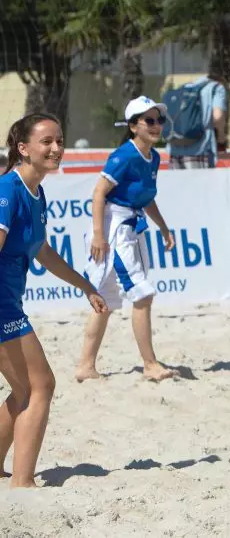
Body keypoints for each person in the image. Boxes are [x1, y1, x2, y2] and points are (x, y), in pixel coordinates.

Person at [0, 113, 107, 487]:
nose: (57, 148)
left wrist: (85, 286)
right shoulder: (8, 191)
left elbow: (42, 251)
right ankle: (23, 484)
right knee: (40, 386)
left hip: (9, 303)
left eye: (60, 140)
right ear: (23, 148)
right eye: (47, 141)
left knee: (23, 389)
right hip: (1, 307)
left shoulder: (36, 192)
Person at [77, 97, 176, 383]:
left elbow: (147, 198)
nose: (157, 125)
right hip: (114, 227)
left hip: (132, 226)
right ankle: (149, 364)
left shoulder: (153, 157)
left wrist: (165, 229)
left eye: (160, 120)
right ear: (134, 126)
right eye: (149, 120)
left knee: (104, 300)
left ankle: (85, 366)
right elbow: (98, 193)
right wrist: (98, 234)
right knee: (142, 294)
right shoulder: (124, 156)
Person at [168, 71, 228, 169]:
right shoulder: (216, 87)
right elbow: (217, 117)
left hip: (174, 150)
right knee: (201, 184)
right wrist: (221, 139)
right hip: (199, 149)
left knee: (177, 184)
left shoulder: (184, 88)